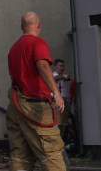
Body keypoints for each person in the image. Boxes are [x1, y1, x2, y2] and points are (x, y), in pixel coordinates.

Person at [6, 12, 68, 171]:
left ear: (22, 27)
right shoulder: (38, 43)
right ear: (39, 25)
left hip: (15, 106)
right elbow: (43, 66)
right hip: (35, 106)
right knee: (51, 153)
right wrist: (57, 93)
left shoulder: (13, 48)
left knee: (21, 155)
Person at [52, 59, 71, 131]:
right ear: (55, 67)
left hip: (63, 101)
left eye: (63, 66)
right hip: (56, 101)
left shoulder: (61, 77)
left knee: (64, 123)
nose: (62, 68)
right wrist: (63, 76)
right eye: (60, 66)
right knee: (58, 122)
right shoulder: (53, 75)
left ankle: (63, 140)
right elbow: (56, 78)